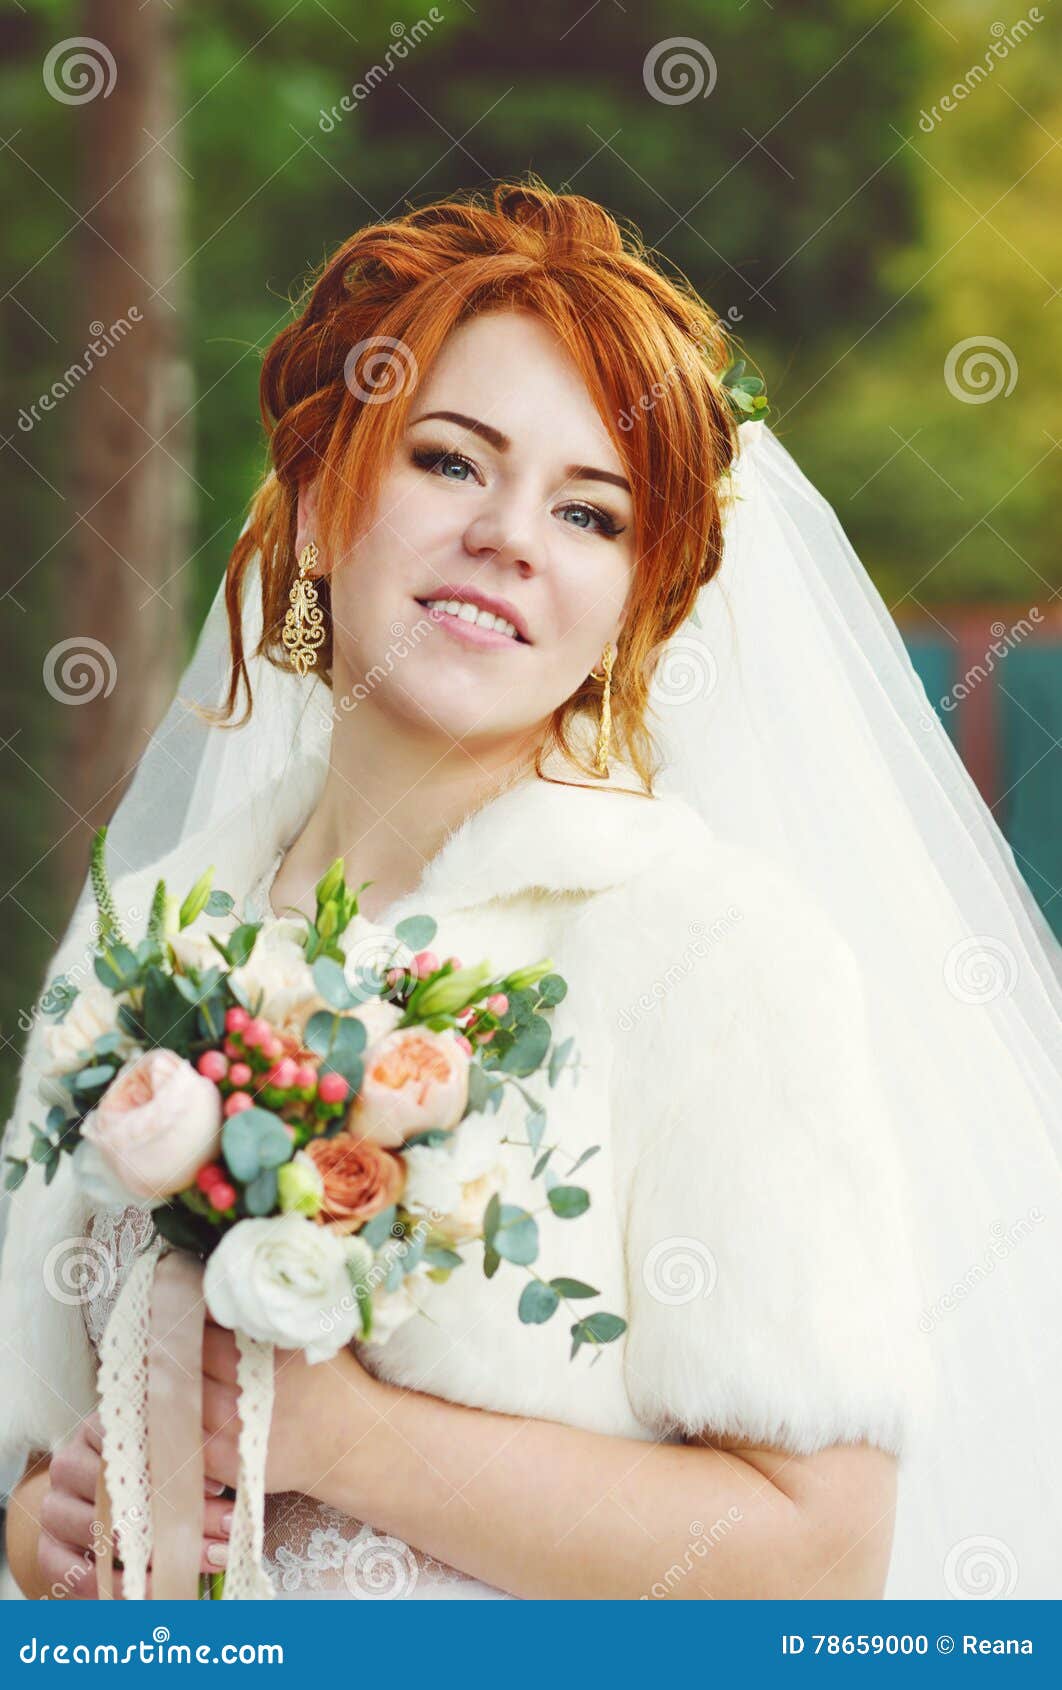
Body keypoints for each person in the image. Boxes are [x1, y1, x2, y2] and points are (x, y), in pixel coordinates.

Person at [2, 181, 1059, 1601]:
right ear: (318, 498)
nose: (509, 534)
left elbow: (817, 1555)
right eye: (448, 461)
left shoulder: (709, 951)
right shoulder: (146, 935)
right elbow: (27, 1449)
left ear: (630, 604)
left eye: (588, 511)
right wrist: (48, 1525)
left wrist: (347, 1439)